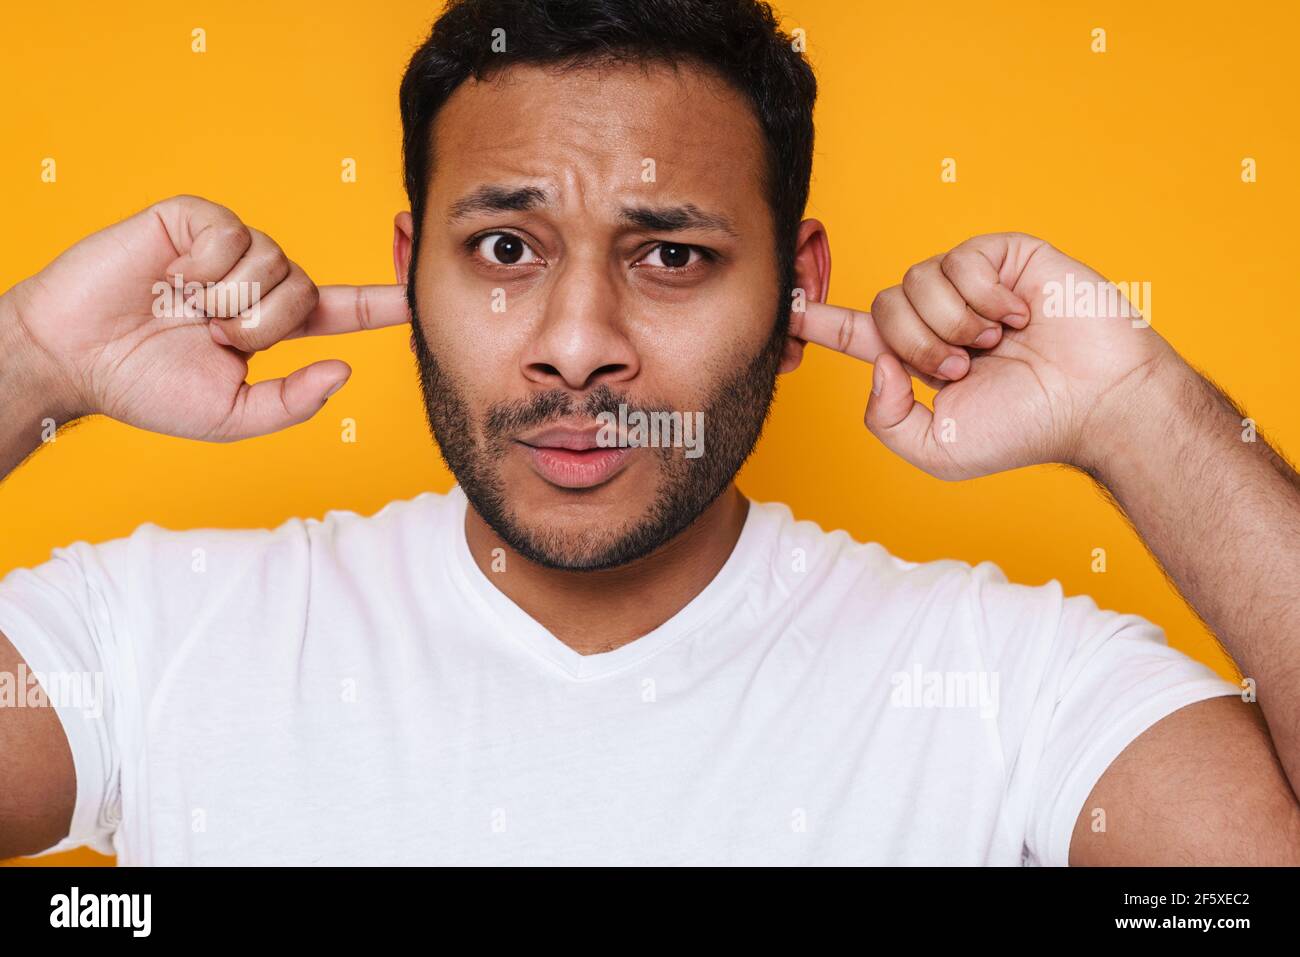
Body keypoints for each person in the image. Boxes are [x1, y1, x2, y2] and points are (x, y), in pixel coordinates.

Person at [0, 0, 1296, 866]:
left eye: (670, 252)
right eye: (504, 248)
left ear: (796, 295)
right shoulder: (161, 635)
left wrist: (1141, 412)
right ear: (410, 277)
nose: (577, 343)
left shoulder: (1007, 685)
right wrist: (35, 363)